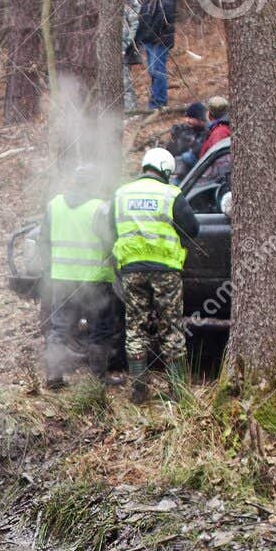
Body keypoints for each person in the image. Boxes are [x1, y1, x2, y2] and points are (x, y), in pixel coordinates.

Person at [111, 146, 200, 405]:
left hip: (131, 270)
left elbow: (106, 227)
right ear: (165, 170)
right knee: (171, 328)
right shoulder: (171, 194)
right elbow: (192, 229)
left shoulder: (120, 194)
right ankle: (178, 393)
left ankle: (139, 392)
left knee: (135, 329)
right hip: (165, 272)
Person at [40, 165, 117, 389]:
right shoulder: (101, 208)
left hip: (63, 278)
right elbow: (110, 242)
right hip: (95, 280)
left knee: (59, 328)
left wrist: (50, 271)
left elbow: (44, 242)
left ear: (75, 181)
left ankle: (53, 377)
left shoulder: (54, 205)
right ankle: (98, 380)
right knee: (99, 330)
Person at [134, 0, 177, 111]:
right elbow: (143, 19)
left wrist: (154, 34)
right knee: (153, 71)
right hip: (150, 41)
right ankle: (155, 102)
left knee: (158, 71)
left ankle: (159, 103)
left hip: (160, 40)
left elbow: (166, 16)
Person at [165, 101, 207, 174]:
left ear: (200, 119)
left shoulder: (206, 131)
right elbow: (171, 151)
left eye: (190, 117)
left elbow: (199, 151)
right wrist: (175, 139)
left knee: (186, 156)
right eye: (186, 117)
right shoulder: (185, 129)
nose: (187, 120)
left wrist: (191, 142)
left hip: (199, 171)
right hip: (181, 171)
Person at [122, 0, 141, 115]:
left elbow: (135, 26)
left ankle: (131, 111)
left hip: (124, 48)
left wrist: (127, 45)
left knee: (125, 81)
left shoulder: (129, 2)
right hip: (113, 48)